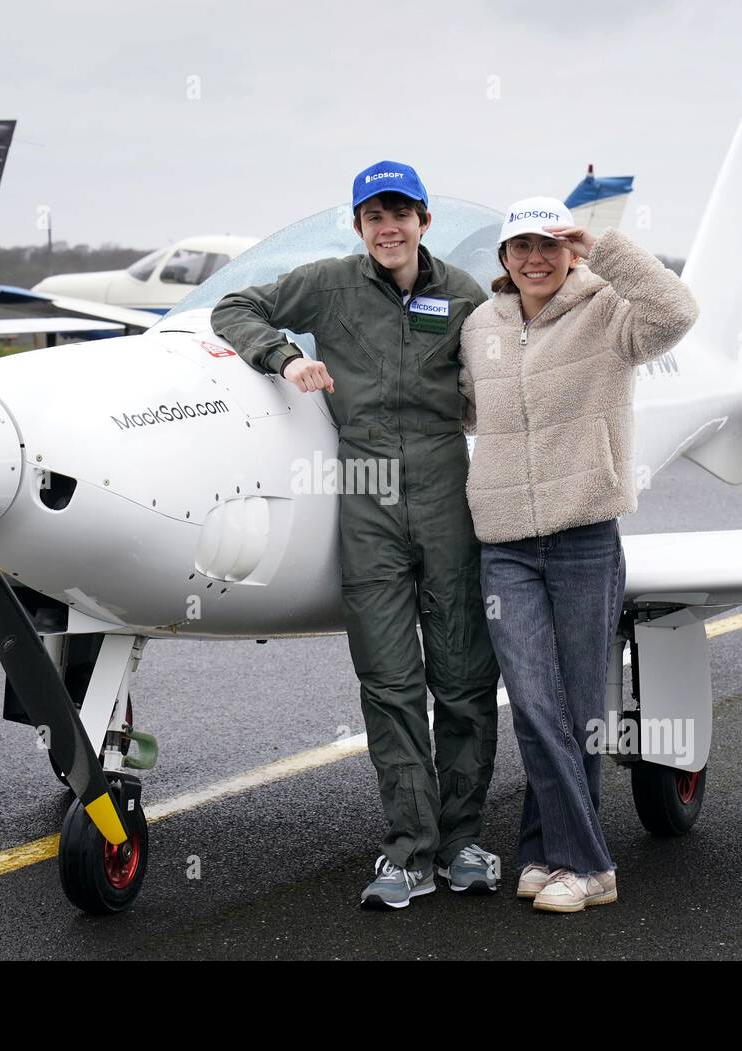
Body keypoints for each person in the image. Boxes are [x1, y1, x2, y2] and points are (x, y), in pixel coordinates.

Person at [211, 161, 502, 909]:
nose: (388, 227)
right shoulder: (329, 284)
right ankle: (408, 851)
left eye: (400, 213)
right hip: (367, 495)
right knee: (389, 682)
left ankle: (464, 840)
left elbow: (504, 372)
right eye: (374, 215)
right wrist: (285, 357)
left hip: (446, 493)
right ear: (360, 224)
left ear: (424, 221)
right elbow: (234, 306)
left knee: (464, 679)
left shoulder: (463, 297)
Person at [458, 196, 698, 913]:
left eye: (551, 245)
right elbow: (462, 406)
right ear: (503, 258)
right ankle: (570, 857)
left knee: (579, 706)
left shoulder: (609, 314)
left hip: (584, 535)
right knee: (536, 702)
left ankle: (564, 857)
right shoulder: (480, 326)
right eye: (521, 246)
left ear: (571, 251)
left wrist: (607, 247)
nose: (536, 258)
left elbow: (677, 311)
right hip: (503, 541)